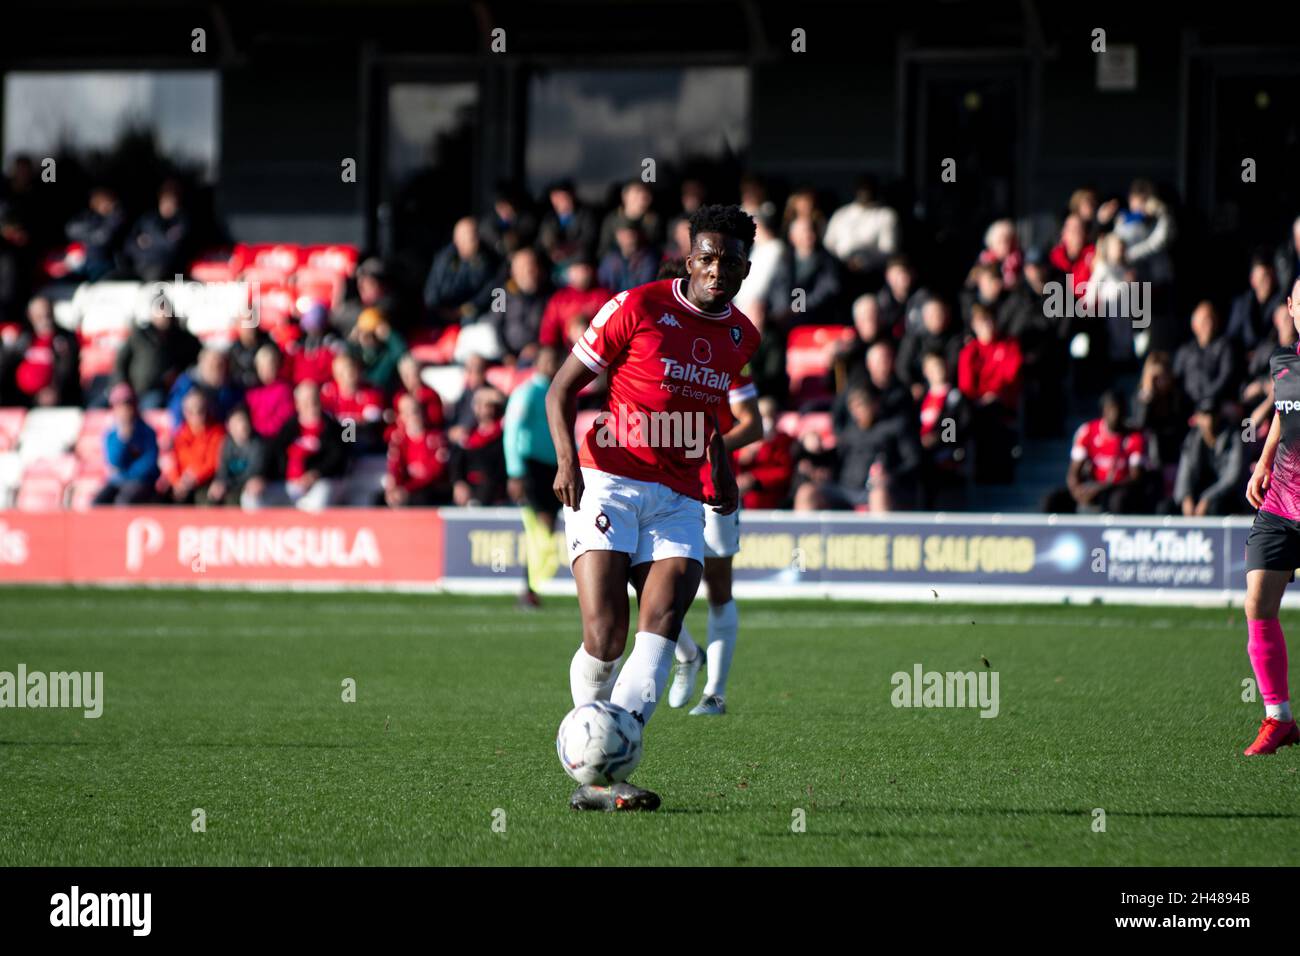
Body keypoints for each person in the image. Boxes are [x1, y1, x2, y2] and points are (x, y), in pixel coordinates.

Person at [545, 203, 759, 812]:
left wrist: (720, 473)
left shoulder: (744, 336)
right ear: (691, 258)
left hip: (680, 496)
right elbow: (562, 389)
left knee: (661, 622)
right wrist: (565, 462)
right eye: (708, 257)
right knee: (606, 634)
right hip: (607, 478)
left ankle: (604, 775)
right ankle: (592, 757)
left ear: (746, 268)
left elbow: (710, 417)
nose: (718, 270)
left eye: (731, 261)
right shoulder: (635, 307)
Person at [666, 344, 761, 717]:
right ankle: (688, 655)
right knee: (648, 584)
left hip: (711, 489)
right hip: (662, 486)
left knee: (717, 588)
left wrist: (714, 447)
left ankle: (715, 695)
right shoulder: (653, 356)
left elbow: (754, 424)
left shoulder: (725, 356)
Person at [1241, 277, 1300, 755]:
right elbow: (1285, 411)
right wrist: (1262, 463)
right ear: (1290, 307)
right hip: (1281, 503)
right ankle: (1278, 717)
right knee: (1257, 602)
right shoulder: (1283, 362)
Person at [504, 346, 562, 608]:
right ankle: (528, 587)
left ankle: (532, 587)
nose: (552, 365)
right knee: (539, 525)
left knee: (546, 527)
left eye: (555, 361)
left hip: (551, 467)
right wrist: (515, 471)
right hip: (533, 467)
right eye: (547, 360)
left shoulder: (555, 392)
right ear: (537, 363)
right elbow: (512, 429)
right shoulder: (528, 392)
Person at [254, 380, 349, 511]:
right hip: (289, 485)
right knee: (252, 498)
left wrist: (316, 473)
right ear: (297, 404)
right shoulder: (288, 428)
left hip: (321, 483)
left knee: (319, 500)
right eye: (306, 402)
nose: (311, 406)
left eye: (314, 400)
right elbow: (272, 453)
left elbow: (340, 457)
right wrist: (261, 476)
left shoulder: (334, 428)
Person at [0, 295, 81, 407]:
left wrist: (55, 388)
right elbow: (6, 364)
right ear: (30, 316)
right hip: (19, 396)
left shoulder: (64, 339)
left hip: (54, 396)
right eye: (39, 316)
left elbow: (67, 370)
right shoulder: (23, 338)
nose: (45, 319)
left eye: (47, 314)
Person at [1174, 401, 1244, 517]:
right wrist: (1186, 497)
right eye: (1205, 415)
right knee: (1166, 507)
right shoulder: (1192, 438)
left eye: (1213, 414)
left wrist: (1207, 498)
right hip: (1198, 492)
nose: (1209, 419)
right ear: (1197, 418)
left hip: (1225, 496)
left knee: (1215, 507)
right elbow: (1184, 473)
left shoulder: (1234, 437)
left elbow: (1232, 478)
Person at [382, 393, 451, 507]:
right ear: (401, 416)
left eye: (415, 411)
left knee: (420, 497)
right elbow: (395, 467)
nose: (412, 416)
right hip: (407, 489)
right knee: (383, 499)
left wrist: (406, 489)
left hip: (429, 489)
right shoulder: (398, 440)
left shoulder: (436, 439)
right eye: (407, 412)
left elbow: (434, 472)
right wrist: (394, 488)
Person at [94, 384, 159, 505]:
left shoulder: (147, 432)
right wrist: (123, 439)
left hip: (141, 482)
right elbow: (114, 461)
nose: (124, 409)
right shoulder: (112, 435)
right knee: (98, 502)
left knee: (124, 501)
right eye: (119, 404)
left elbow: (149, 464)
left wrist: (126, 474)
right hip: (117, 482)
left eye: (127, 403)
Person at [163, 390, 225, 504]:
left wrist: (194, 478)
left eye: (200, 410)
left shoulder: (217, 433)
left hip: (205, 482)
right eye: (191, 411)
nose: (196, 415)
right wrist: (177, 481)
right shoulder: (179, 434)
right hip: (183, 483)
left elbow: (213, 463)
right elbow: (171, 461)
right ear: (185, 413)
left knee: (207, 500)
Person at [207, 406, 265, 508]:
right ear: (229, 426)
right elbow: (222, 470)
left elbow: (253, 472)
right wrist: (220, 483)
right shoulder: (226, 443)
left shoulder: (257, 444)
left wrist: (229, 485)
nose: (242, 426)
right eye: (237, 423)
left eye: (244, 422)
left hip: (246, 487)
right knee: (213, 494)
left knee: (245, 495)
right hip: (232, 484)